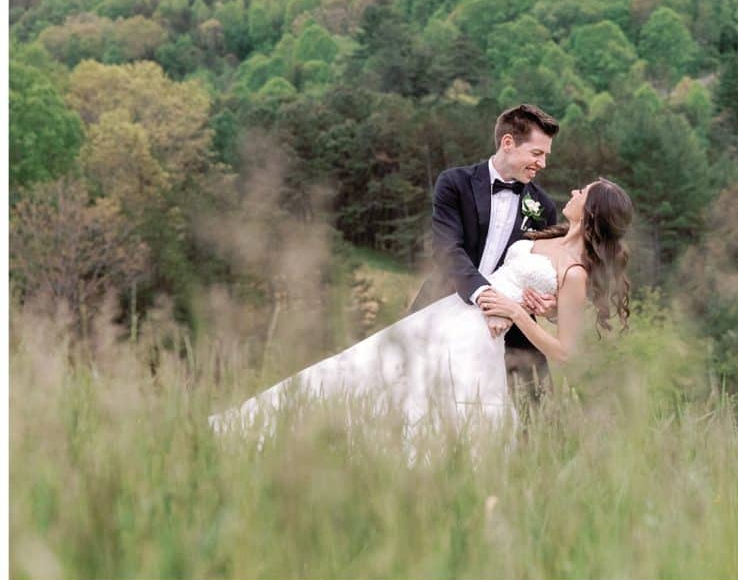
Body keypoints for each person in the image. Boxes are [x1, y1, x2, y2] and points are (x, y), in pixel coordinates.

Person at [210, 179, 634, 441]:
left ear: (592, 211)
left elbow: (565, 352)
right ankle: (266, 423)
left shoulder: (576, 272)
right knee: (371, 364)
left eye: (584, 192)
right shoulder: (553, 236)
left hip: (482, 335)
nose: (575, 192)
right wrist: (542, 306)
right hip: (453, 311)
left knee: (429, 396)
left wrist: (520, 312)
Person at [408, 104, 562, 394]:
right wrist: (487, 297)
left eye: (545, 156)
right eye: (537, 154)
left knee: (536, 413)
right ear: (508, 143)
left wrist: (551, 308)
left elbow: (545, 272)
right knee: (418, 391)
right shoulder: (454, 183)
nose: (542, 164)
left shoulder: (544, 206)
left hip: (513, 329)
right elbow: (447, 250)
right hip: (446, 303)